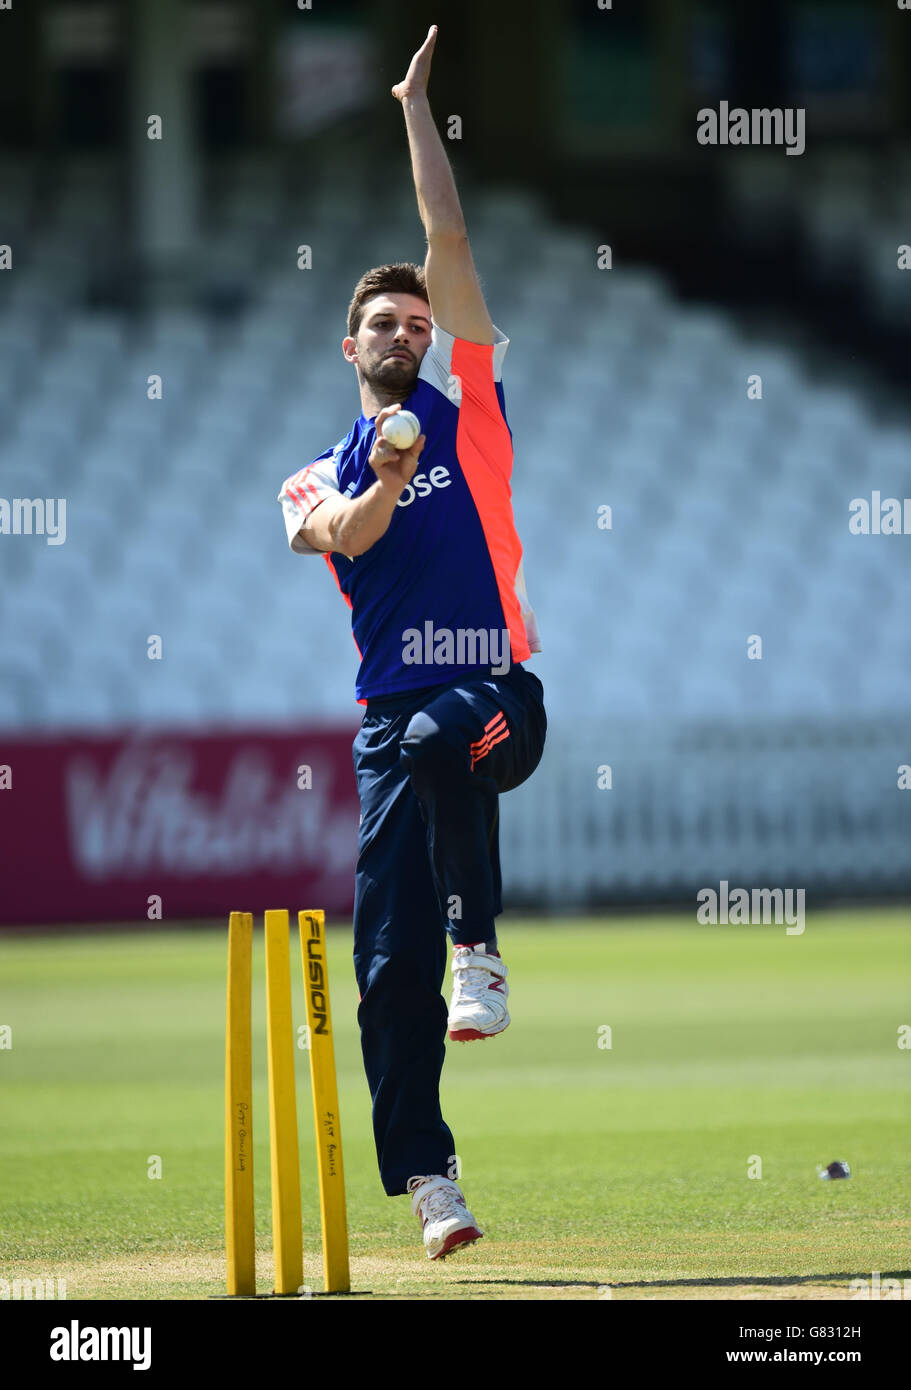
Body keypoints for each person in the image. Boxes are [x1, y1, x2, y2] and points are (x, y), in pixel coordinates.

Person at [278, 25, 546, 1260]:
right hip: (385, 728)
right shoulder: (311, 475)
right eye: (381, 323)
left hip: (496, 693)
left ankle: (479, 951)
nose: (404, 329)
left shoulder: (470, 410)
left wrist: (411, 108)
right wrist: (385, 472)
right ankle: (432, 1182)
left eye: (414, 321)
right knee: (383, 969)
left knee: (450, 734)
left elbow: (447, 240)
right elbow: (331, 533)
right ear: (350, 348)